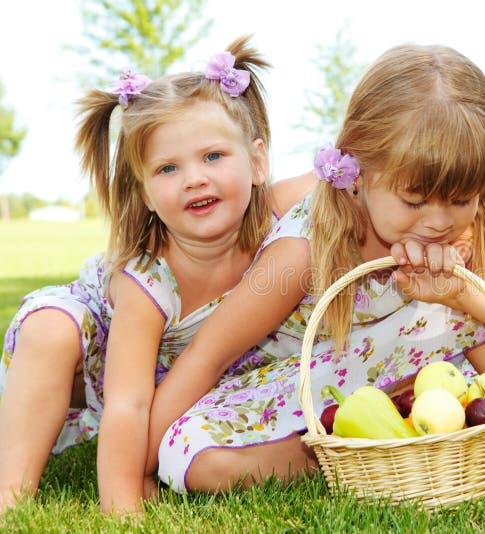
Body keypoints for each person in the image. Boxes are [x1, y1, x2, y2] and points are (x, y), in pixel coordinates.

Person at [146, 44, 485, 496]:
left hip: (397, 371)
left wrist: (458, 293)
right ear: (357, 171)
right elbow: (210, 354)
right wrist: (139, 465)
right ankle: (360, 454)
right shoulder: (304, 246)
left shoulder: (459, 225)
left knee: (481, 311)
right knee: (199, 465)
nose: (438, 221)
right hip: (284, 386)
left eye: (461, 198)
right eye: (414, 202)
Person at [0, 36, 315, 515]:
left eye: (213, 156)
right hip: (101, 354)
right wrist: (124, 501)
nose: (195, 178)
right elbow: (127, 403)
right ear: (145, 194)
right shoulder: (148, 279)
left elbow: (354, 177)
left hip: (198, 378)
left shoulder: (279, 212)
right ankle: (9, 492)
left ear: (258, 161)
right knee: (50, 332)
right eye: (168, 168)